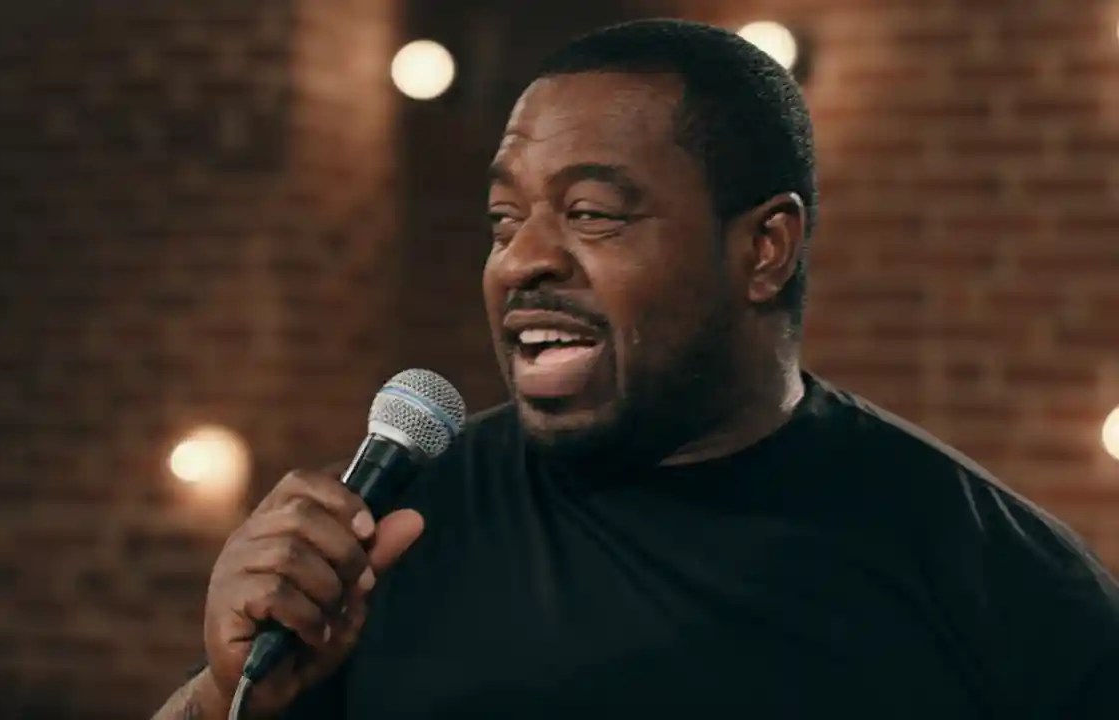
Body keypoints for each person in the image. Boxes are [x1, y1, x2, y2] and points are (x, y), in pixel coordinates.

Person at [154, 19, 1119, 719]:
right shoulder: (392, 540)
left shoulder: (991, 573)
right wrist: (221, 698)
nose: (521, 258)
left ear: (764, 249)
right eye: (504, 219)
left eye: (593, 214)